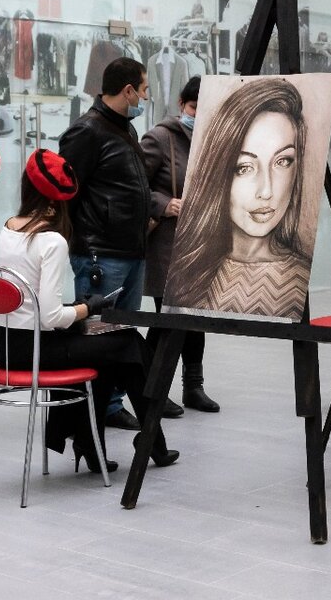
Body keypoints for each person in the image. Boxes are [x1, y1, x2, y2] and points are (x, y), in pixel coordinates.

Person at [0, 149, 178, 472]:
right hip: (34, 347)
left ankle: (96, 443)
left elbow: (32, 303)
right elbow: (50, 317)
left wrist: (76, 311)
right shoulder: (52, 241)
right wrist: (84, 308)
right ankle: (149, 440)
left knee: (112, 353)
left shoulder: (9, 228)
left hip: (1, 343)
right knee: (129, 343)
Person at [59, 56, 163, 430]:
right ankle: (90, 411)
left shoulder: (125, 130)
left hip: (131, 251)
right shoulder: (86, 131)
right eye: (145, 89)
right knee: (98, 333)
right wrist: (82, 245)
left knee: (120, 335)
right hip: (101, 254)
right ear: (128, 90)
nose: (146, 96)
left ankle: (111, 404)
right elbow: (66, 193)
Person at [163, 79, 310, 320]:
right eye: (244, 167)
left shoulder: (297, 276)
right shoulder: (189, 271)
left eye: (282, 161)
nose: (266, 191)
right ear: (219, 172)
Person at [141, 76, 219, 413]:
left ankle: (193, 387)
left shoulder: (213, 139)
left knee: (195, 318)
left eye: (204, 110)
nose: (197, 116)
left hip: (198, 242)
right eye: (192, 108)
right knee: (168, 318)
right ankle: (152, 387)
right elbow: (135, 186)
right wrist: (163, 203)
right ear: (181, 105)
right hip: (167, 245)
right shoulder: (160, 138)